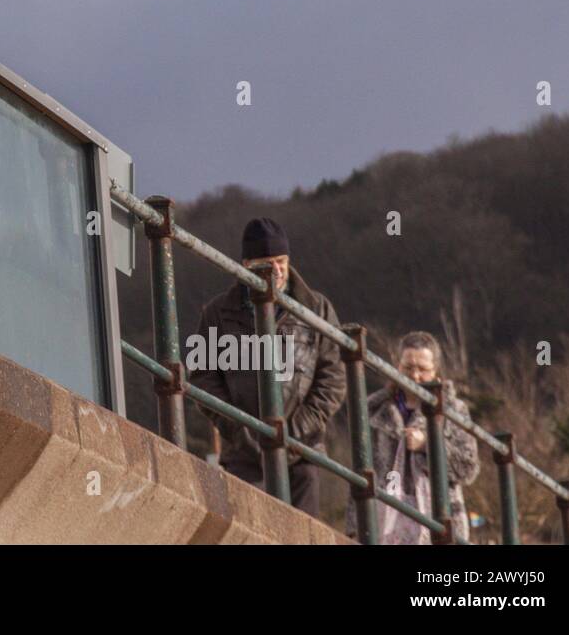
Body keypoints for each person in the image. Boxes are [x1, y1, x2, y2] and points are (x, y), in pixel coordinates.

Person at [189, 217, 346, 516]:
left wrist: (293, 433)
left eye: (281, 261)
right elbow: (202, 379)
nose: (276, 270)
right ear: (246, 264)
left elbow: (333, 380)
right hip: (243, 455)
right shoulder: (217, 313)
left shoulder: (317, 310)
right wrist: (239, 430)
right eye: (266, 262)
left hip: (302, 455)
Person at [356, 331, 480, 544]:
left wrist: (427, 445)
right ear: (398, 366)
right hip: (385, 520)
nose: (415, 376)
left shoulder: (453, 409)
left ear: (436, 371)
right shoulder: (374, 409)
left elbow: (468, 467)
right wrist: (354, 526)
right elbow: (359, 469)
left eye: (422, 369)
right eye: (408, 367)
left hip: (439, 521)